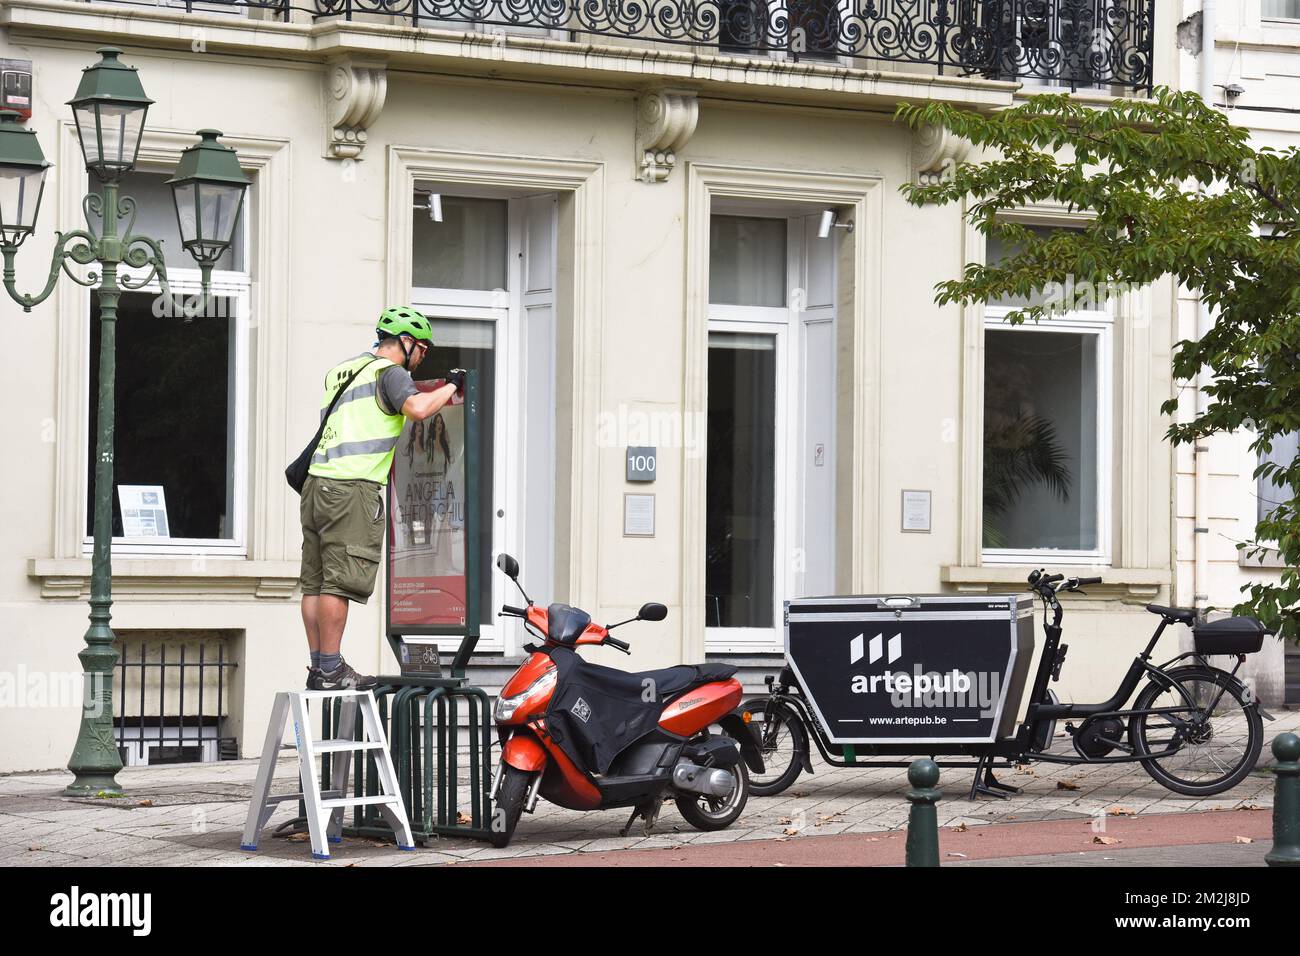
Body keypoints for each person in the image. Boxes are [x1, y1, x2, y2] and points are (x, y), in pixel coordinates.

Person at [299, 306, 465, 690]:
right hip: (351, 488)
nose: (422, 357)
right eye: (422, 349)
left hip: (316, 486)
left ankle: (317, 667)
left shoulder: (342, 371)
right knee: (339, 584)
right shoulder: (390, 373)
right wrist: (452, 385)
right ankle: (331, 670)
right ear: (406, 343)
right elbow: (418, 409)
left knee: (315, 584)